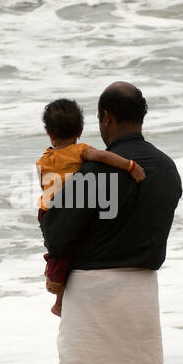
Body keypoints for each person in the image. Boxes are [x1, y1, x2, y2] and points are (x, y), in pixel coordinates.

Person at [40, 82, 182, 364]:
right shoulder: (166, 169)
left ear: (105, 119)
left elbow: (57, 236)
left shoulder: (92, 174)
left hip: (96, 290)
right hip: (142, 287)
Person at [36, 98, 146, 316]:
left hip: (47, 212)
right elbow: (104, 156)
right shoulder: (81, 151)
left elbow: (43, 184)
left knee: (59, 251)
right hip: (70, 210)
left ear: (49, 133)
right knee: (71, 254)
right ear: (81, 130)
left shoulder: (43, 160)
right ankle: (58, 300)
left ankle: (54, 276)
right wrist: (130, 166)